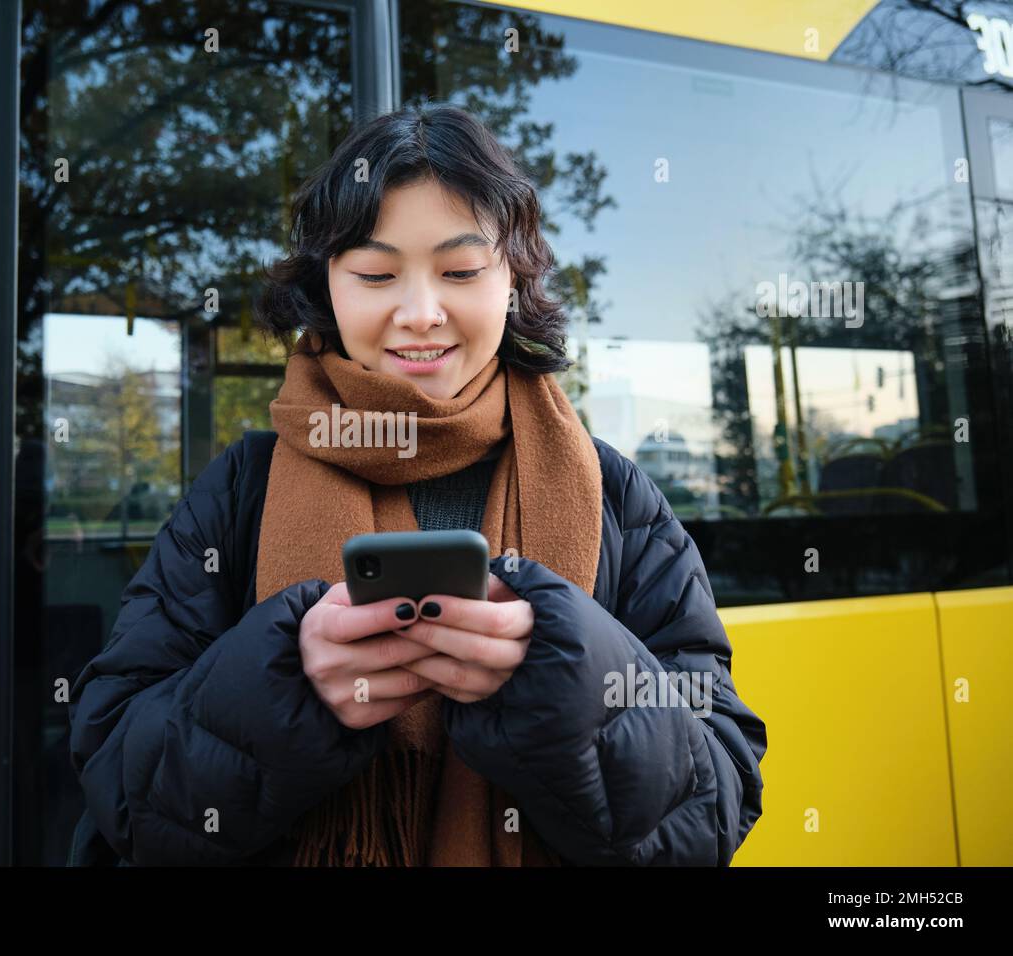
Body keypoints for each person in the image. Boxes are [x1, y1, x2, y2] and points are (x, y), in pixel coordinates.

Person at [67, 101, 766, 866]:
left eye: (461, 270)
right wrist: (288, 690)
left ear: (512, 279)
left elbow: (717, 796)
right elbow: (120, 782)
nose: (420, 313)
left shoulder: (614, 492)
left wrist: (564, 686)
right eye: (374, 273)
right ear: (327, 286)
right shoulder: (242, 488)